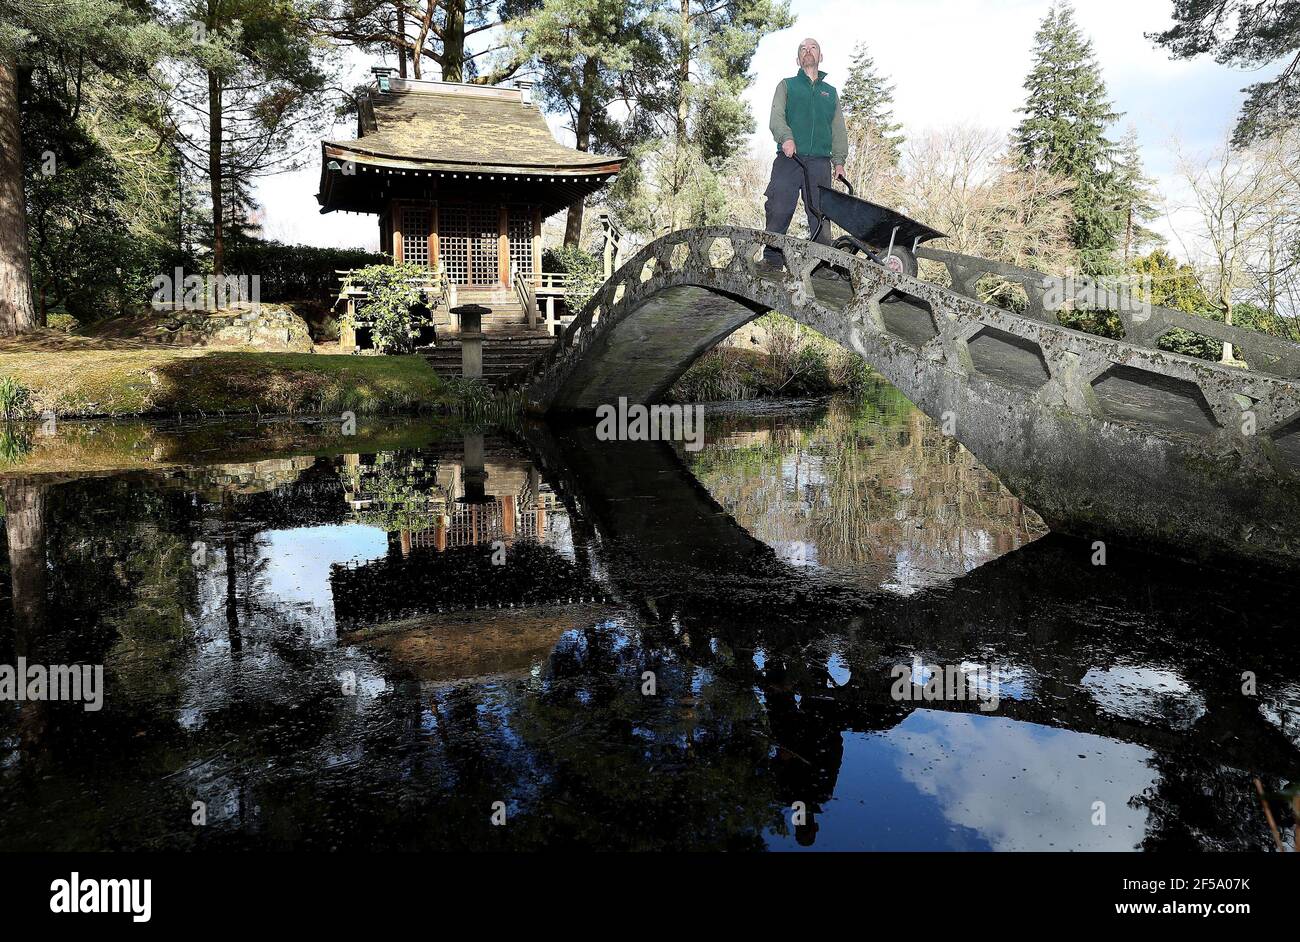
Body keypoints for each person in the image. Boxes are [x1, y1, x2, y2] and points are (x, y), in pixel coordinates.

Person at [762, 37, 848, 276]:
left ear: (821, 57)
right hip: (790, 158)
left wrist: (839, 161)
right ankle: (771, 259)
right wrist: (786, 137)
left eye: (813, 48)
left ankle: (820, 266)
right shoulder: (787, 86)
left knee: (820, 213)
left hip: (820, 161)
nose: (808, 51)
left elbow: (838, 129)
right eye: (803, 48)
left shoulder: (830, 93)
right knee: (779, 205)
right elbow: (776, 117)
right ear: (797, 59)